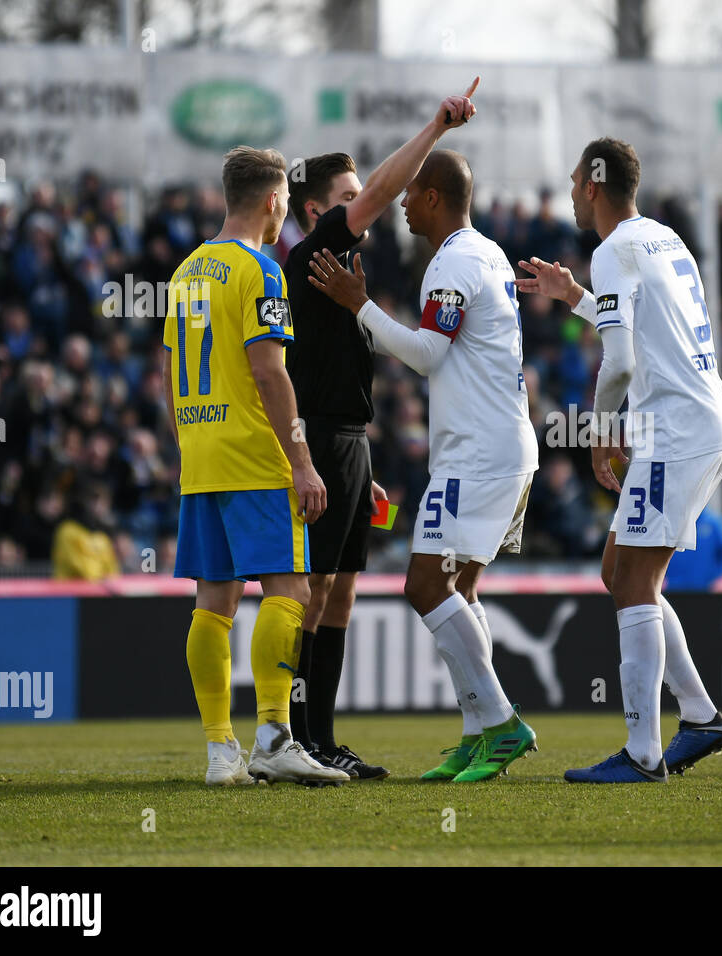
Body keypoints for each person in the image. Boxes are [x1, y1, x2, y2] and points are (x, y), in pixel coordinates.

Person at [307, 149, 537, 783]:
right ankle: (476, 734)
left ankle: (501, 721)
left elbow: (429, 354)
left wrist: (360, 305)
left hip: (479, 454)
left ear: (434, 196)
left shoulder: (453, 262)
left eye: (410, 193)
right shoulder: (484, 251)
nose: (401, 203)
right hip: (502, 446)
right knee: (459, 590)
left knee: (423, 586)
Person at [516, 137, 722, 783]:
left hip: (675, 432)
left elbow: (623, 361)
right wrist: (577, 297)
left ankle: (643, 755)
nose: (570, 189)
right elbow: (646, 331)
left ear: (592, 185)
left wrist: (600, 428)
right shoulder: (663, 238)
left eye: (574, 178)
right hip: (697, 423)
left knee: (634, 583)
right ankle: (700, 718)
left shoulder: (613, 249)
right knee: (620, 570)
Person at [280, 80, 479, 781]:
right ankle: (293, 739)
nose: (364, 205)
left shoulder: (337, 268)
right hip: (321, 439)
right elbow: (386, 191)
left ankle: (320, 740)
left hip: (349, 440)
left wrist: (362, 460)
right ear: (314, 211)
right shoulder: (308, 257)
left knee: (339, 592)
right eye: (347, 198)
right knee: (310, 592)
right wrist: (434, 129)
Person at [163, 146, 346, 787]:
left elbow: (167, 375)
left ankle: (220, 752)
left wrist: (189, 443)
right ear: (273, 200)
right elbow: (270, 371)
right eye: (287, 204)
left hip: (203, 456)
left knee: (213, 604)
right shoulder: (261, 271)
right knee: (290, 591)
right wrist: (302, 462)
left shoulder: (187, 271)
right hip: (255, 455)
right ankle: (273, 736)